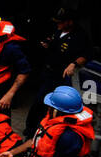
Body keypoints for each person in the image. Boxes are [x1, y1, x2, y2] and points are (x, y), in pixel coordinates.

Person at [24, 7, 91, 138]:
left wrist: (74, 64)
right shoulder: (57, 30)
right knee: (38, 102)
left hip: (61, 77)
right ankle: (30, 129)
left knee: (48, 105)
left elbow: (86, 55)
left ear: (69, 22)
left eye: (60, 22)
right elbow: (52, 40)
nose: (58, 24)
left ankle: (40, 133)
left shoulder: (80, 36)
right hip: (47, 71)